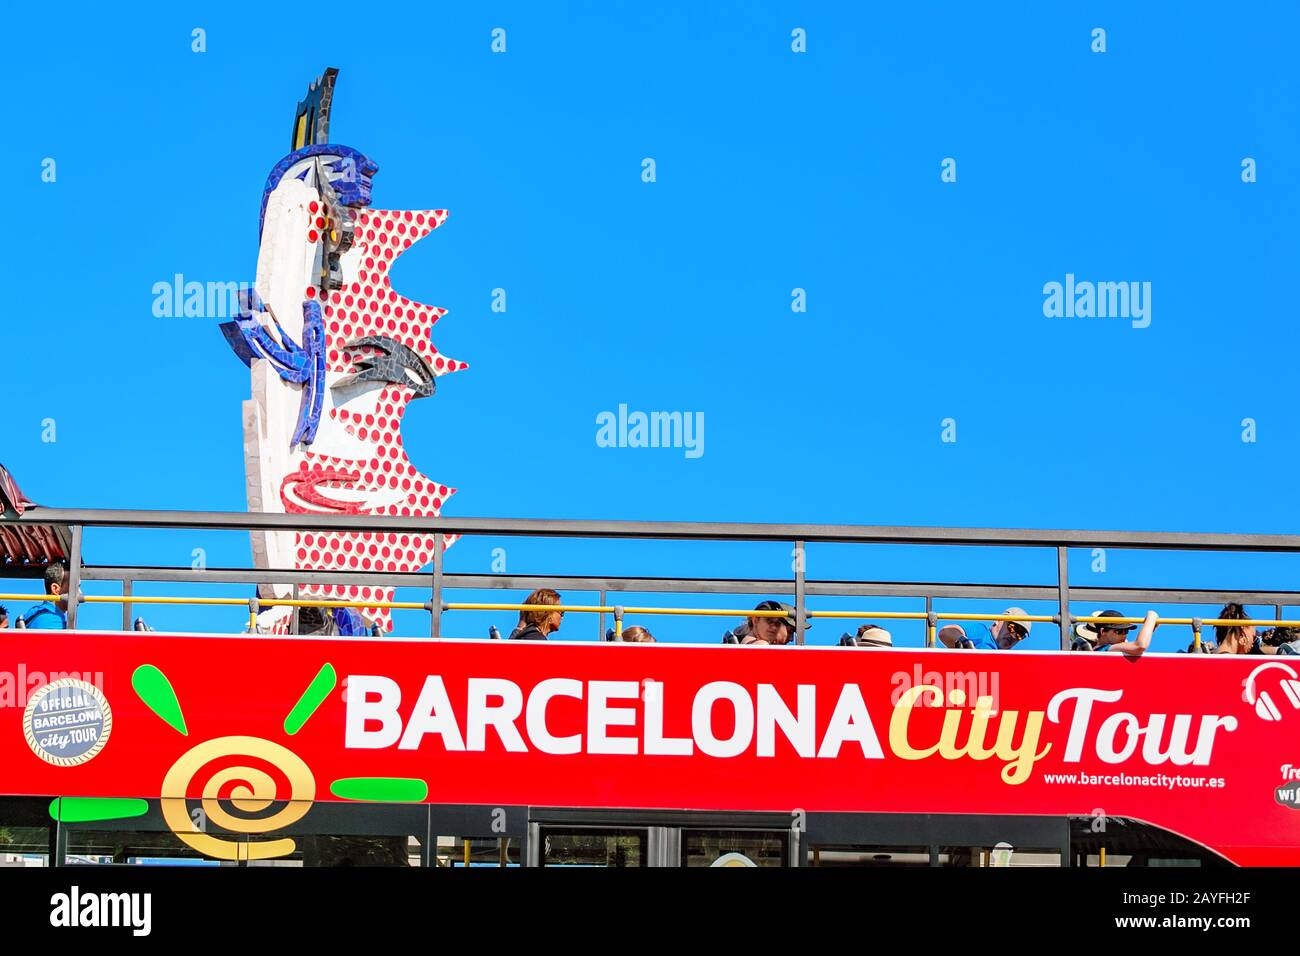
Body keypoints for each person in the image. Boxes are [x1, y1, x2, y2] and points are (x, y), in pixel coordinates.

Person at [1071, 609, 1158, 657]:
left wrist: (1151, 625)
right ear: (1102, 631)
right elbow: (1139, 646)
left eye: (1126, 631)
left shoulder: (1102, 650)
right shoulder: (1104, 649)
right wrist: (1152, 615)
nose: (1124, 635)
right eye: (1119, 631)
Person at [938, 608, 1031, 650]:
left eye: (1020, 635)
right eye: (1012, 627)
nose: (1013, 636)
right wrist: (964, 642)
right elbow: (946, 632)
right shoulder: (982, 632)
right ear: (998, 620)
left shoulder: (1012, 660)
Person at [724, 601, 809, 646]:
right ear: (756, 620)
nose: (774, 627)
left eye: (778, 624)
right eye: (769, 621)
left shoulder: (741, 639)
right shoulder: (762, 644)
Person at [20, 564, 73, 629]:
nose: (80, 593)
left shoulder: (36, 612)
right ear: (55, 589)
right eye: (75, 587)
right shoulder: (52, 621)